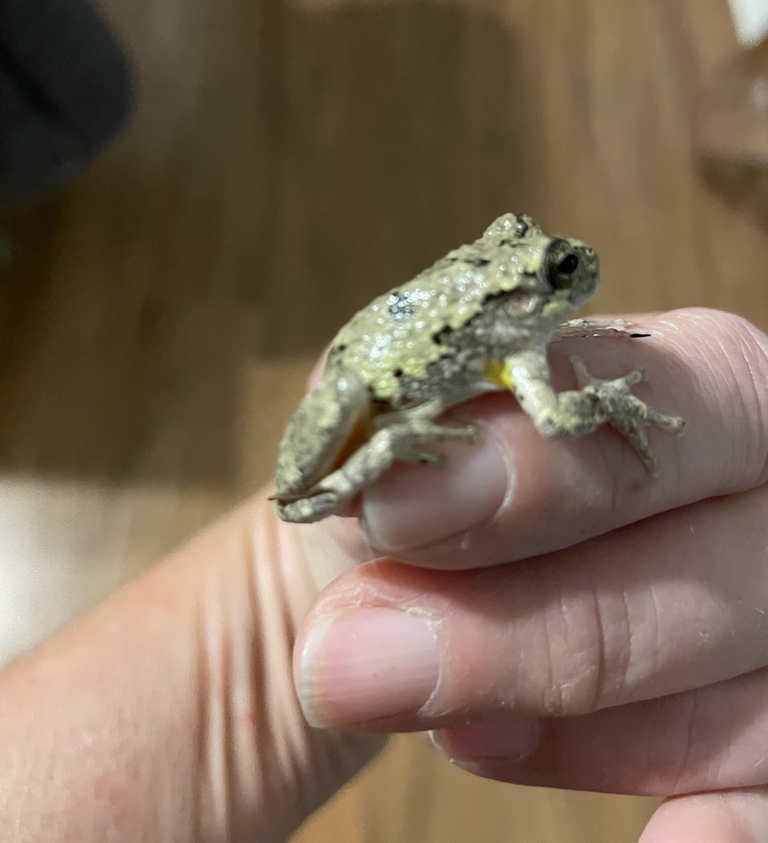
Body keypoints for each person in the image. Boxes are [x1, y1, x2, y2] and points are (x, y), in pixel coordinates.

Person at [1, 306, 766, 843]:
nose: (578, 279)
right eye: (555, 278)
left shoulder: (514, 339)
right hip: (362, 421)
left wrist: (303, 579)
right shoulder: (510, 342)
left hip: (363, 438)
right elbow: (562, 419)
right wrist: (607, 399)